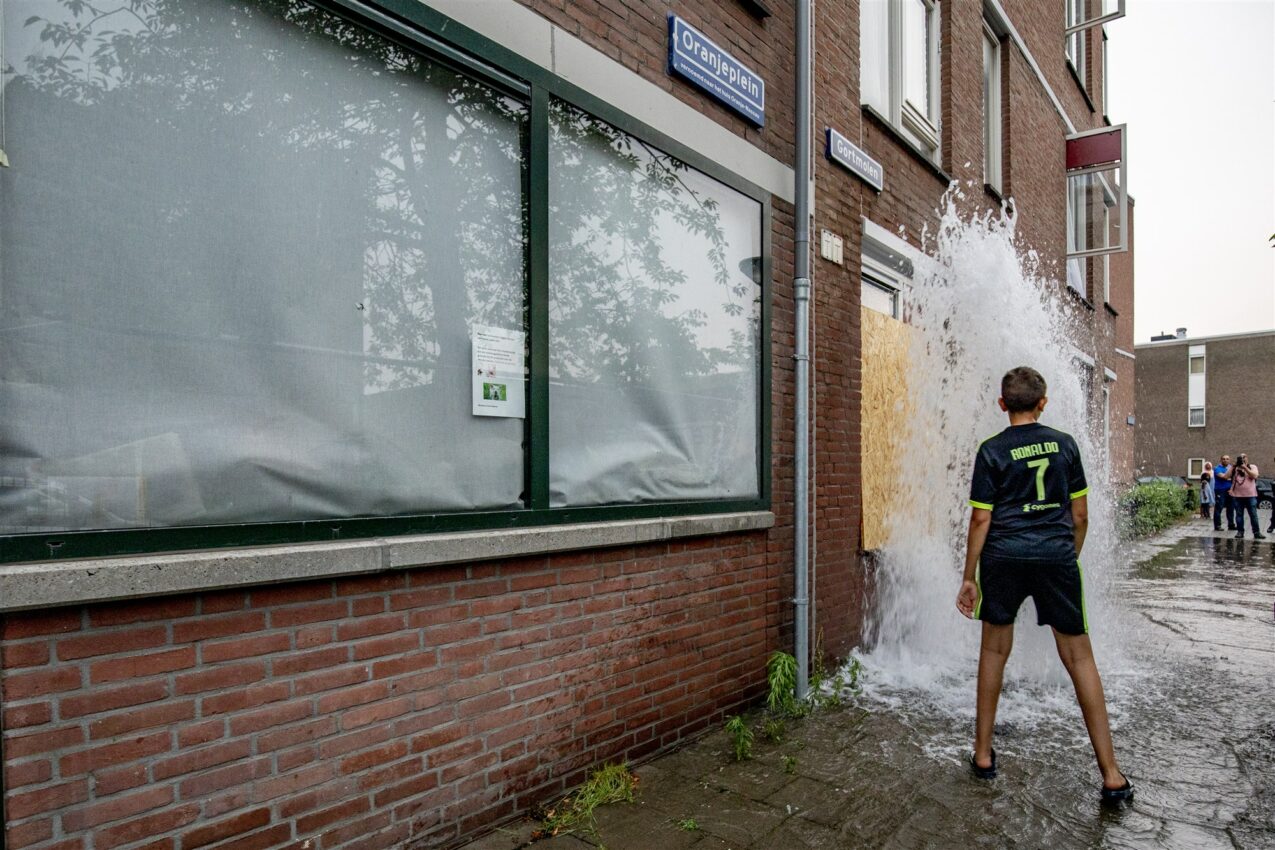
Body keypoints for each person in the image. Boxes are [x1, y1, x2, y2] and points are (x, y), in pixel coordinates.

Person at [955, 367, 1132, 803]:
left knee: (994, 650)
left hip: (1002, 557)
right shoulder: (1065, 444)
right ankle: (1111, 775)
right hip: (1055, 554)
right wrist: (1064, 556)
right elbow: (1081, 516)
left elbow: (981, 518)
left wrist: (968, 577)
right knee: (1080, 658)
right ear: (1043, 403)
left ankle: (982, 755)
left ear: (1002, 404)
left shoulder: (991, 450)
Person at [1228, 453, 1265, 540]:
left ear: (1247, 458)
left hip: (1250, 495)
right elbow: (1227, 476)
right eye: (1241, 457)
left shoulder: (1252, 467)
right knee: (1239, 514)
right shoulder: (1235, 468)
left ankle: (1256, 532)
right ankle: (1240, 532)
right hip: (1237, 496)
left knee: (1253, 514)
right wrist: (1233, 467)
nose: (1243, 459)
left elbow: (1255, 476)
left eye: (1244, 457)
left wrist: (1245, 468)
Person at [1213, 454, 1235, 532]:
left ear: (1229, 460)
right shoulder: (1217, 468)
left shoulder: (1231, 468)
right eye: (1223, 459)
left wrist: (1229, 478)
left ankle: (1231, 524)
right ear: (1221, 460)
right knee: (1219, 507)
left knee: (1231, 508)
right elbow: (1224, 477)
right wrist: (1229, 477)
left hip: (1230, 490)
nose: (1225, 460)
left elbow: (1234, 478)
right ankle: (1217, 525)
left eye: (1227, 459)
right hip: (1220, 490)